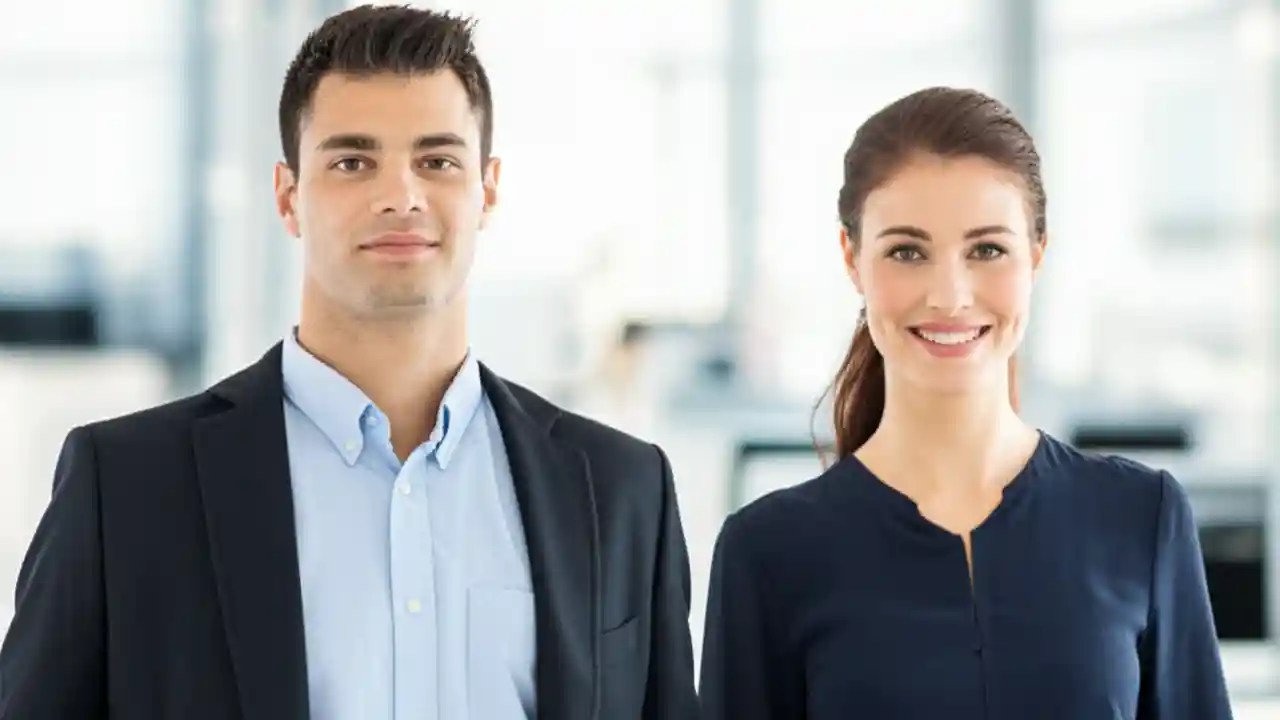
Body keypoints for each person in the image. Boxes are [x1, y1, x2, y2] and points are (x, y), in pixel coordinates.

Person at [0, 6, 697, 719]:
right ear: (288, 195)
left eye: (437, 160)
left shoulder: (620, 490)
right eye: (352, 161)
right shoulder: (127, 487)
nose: (400, 196)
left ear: (486, 189)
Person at [698, 87, 1232, 719]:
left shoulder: (1141, 521)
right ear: (852, 259)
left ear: (1036, 255)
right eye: (907, 251)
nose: (950, 296)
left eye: (986, 250)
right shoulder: (768, 552)